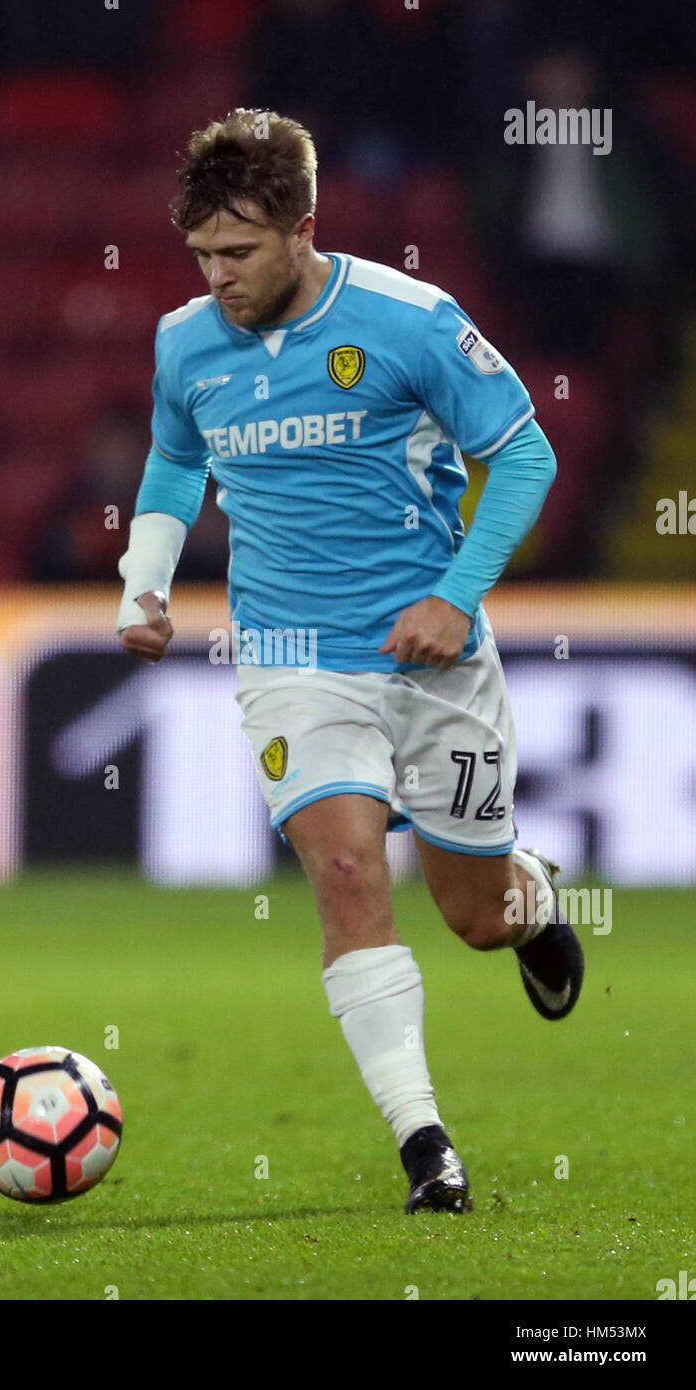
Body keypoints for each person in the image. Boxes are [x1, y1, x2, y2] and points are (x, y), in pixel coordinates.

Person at [117, 109, 584, 1214]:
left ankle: (532, 898)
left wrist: (452, 595)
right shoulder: (184, 341)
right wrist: (144, 579)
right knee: (343, 870)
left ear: (301, 228)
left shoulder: (408, 320)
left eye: (238, 253)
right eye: (202, 257)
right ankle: (425, 1143)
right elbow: (174, 465)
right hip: (288, 655)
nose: (218, 279)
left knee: (471, 914)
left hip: (429, 654)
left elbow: (523, 455)